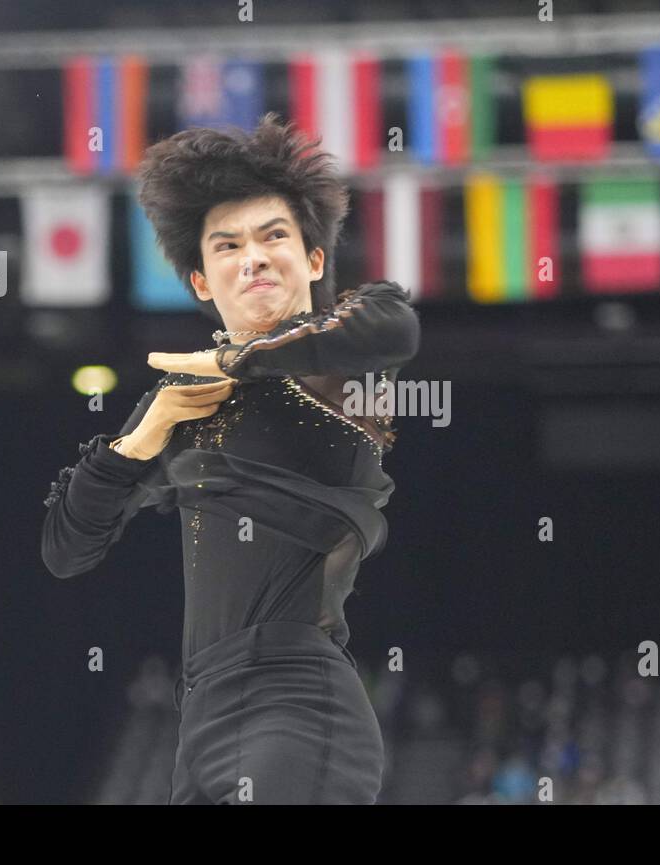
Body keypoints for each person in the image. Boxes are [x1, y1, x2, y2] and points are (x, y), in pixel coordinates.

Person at [40, 112, 420, 805]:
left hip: (300, 704)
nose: (254, 256)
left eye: (275, 236)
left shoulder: (338, 362)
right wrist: (137, 441)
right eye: (229, 245)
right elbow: (67, 548)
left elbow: (390, 322)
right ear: (200, 282)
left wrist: (233, 357)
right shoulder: (188, 403)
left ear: (313, 260)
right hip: (201, 721)